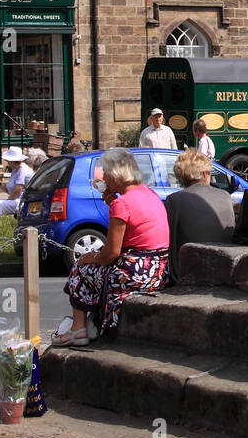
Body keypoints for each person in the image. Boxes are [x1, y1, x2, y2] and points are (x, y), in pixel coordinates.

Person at [52, 148, 170, 345]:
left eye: (106, 172)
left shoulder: (122, 204)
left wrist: (91, 257)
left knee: (80, 269)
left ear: (117, 174)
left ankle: (78, 329)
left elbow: (111, 253)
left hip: (134, 271)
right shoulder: (149, 194)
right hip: (157, 269)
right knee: (94, 269)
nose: (104, 178)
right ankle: (90, 323)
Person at [164, 147, 236, 285]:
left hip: (188, 272)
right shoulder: (225, 196)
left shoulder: (174, 200)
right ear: (205, 174)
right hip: (223, 270)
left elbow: (171, 241)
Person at [0, 147, 33, 230]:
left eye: (8, 160)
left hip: (22, 201)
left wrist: (7, 200)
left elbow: (17, 191)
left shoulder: (22, 170)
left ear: (13, 161)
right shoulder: (15, 171)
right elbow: (9, 190)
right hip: (15, 199)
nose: (7, 162)